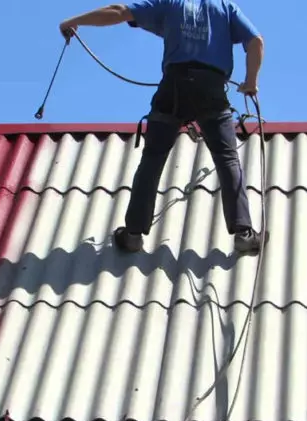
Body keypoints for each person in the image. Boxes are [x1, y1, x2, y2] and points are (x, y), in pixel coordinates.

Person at [59, 1, 268, 254]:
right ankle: (243, 233)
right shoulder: (225, 7)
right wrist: (250, 82)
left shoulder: (169, 3)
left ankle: (133, 234)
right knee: (227, 159)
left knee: (153, 159)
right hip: (212, 89)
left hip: (174, 87)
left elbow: (119, 11)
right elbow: (255, 41)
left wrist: (73, 21)